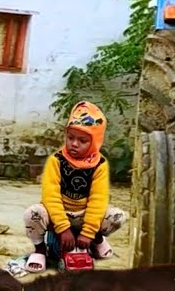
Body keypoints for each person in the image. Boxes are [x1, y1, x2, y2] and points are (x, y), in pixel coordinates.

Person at [23, 101, 127, 272]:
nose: (74, 144)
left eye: (82, 140)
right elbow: (51, 197)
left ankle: (97, 239)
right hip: (58, 214)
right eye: (70, 138)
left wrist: (88, 232)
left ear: (95, 142)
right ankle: (40, 250)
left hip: (84, 214)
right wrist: (63, 228)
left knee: (117, 216)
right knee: (32, 214)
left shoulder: (99, 164)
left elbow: (98, 200)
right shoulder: (56, 161)